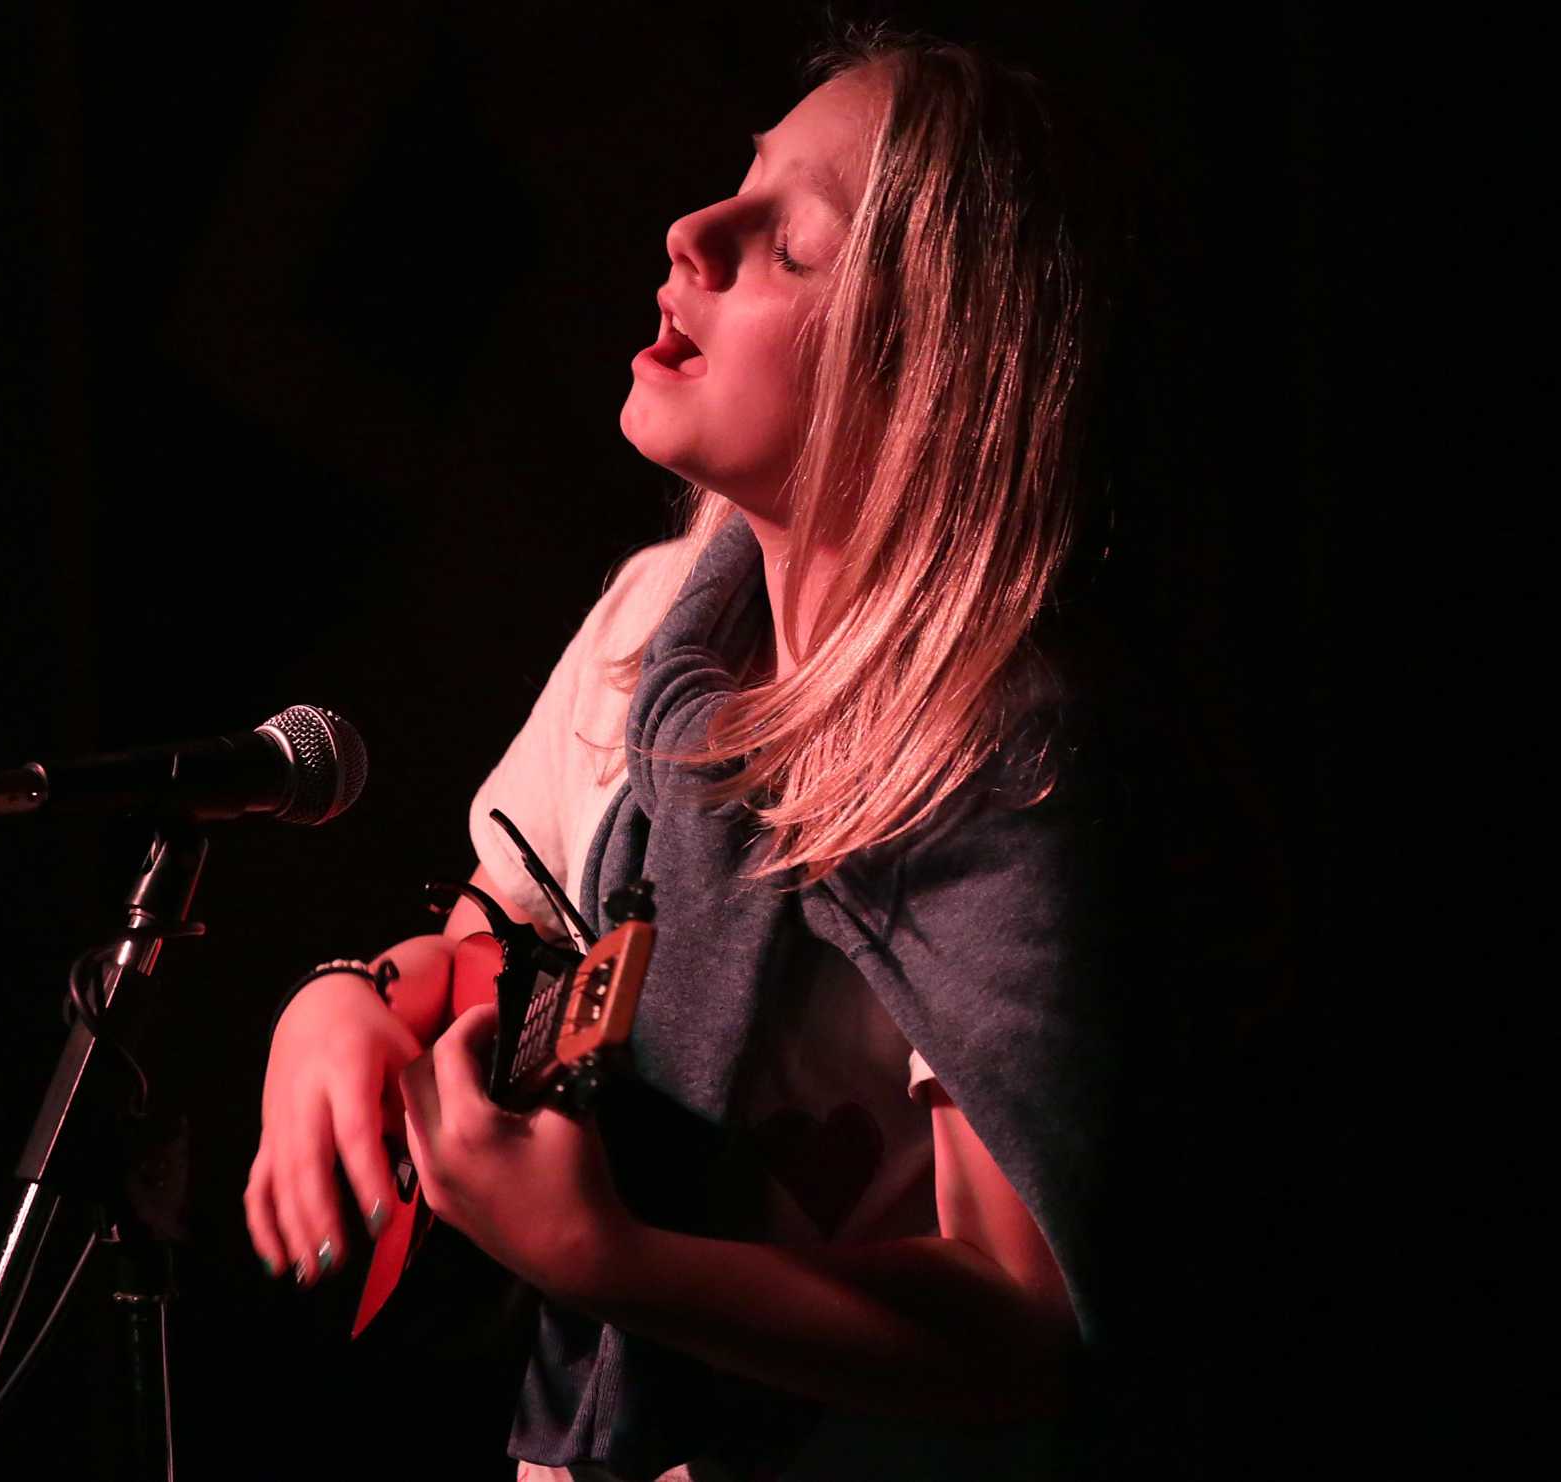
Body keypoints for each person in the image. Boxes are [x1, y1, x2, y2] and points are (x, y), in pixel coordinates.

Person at [247, 30, 1169, 1481]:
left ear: (930, 370)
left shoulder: (991, 750)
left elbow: (1014, 1315)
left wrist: (608, 1258)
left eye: (791, 243)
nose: (694, 230)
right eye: (737, 186)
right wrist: (353, 1003)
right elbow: (505, 933)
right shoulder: (651, 626)